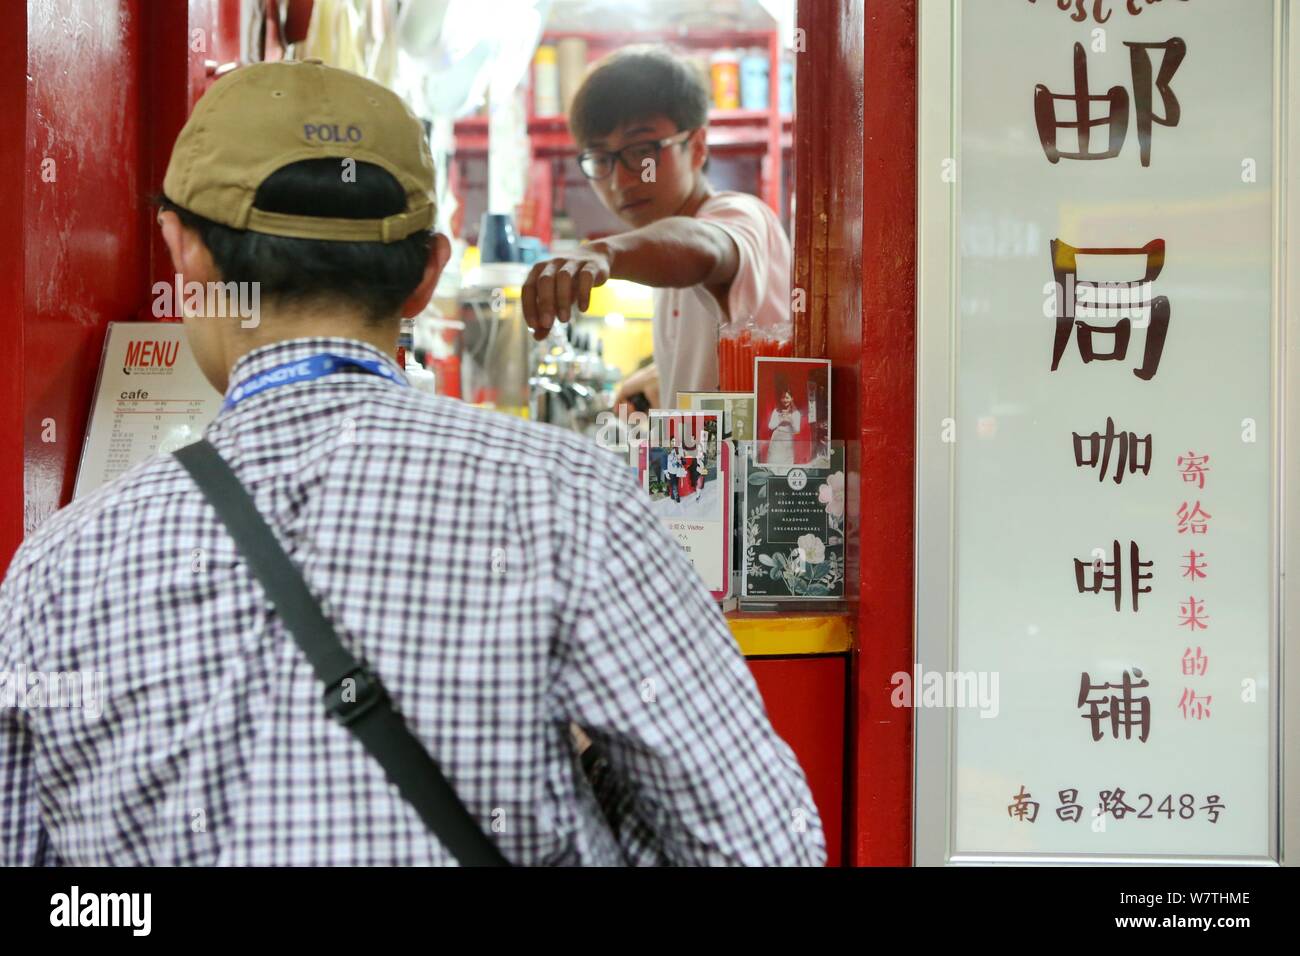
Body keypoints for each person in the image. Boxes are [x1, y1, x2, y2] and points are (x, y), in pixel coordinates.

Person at [0, 60, 825, 867]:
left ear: (184, 253)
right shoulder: (573, 504)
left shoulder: (51, 575)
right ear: (429, 273)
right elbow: (762, 846)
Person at [519, 47, 791, 410]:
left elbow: (707, 247)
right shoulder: (660, 254)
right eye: (601, 158)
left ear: (696, 147)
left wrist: (604, 252)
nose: (621, 180)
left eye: (642, 150)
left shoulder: (741, 215)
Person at [767, 377, 802, 467]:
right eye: (783, 397)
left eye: (787, 397)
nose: (785, 400)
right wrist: (780, 420)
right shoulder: (776, 411)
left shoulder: (796, 413)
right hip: (776, 439)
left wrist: (791, 421)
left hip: (788, 440)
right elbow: (770, 426)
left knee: (786, 463)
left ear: (792, 399)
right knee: (774, 461)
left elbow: (797, 430)